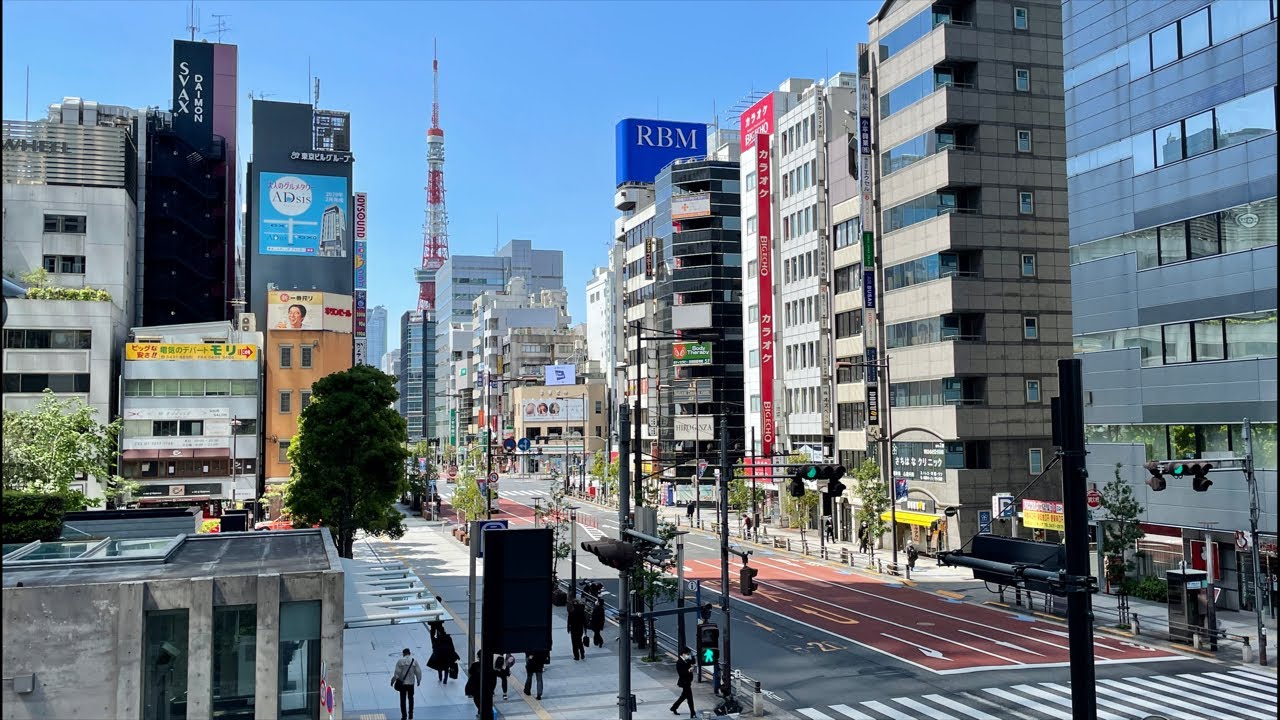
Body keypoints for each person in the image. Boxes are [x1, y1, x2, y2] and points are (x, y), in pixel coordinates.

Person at [390, 647, 422, 720]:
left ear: (403, 654)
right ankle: (411, 714)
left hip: (402, 684)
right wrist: (418, 680)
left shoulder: (400, 661)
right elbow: (418, 672)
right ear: (410, 653)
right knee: (411, 698)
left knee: (402, 700)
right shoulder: (414, 661)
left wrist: (392, 681)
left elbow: (397, 674)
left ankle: (404, 716)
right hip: (411, 683)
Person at [465, 650, 497, 716]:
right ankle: (481, 711)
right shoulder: (490, 666)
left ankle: (481, 710)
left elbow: (470, 672)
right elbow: (494, 678)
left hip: (477, 687)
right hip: (485, 687)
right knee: (484, 700)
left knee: (477, 699)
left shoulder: (475, 665)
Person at [670, 646, 696, 717]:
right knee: (689, 698)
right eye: (687, 654)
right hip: (684, 682)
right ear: (683, 654)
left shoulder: (686, 660)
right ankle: (692, 713)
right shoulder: (679, 662)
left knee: (684, 696)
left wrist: (692, 656)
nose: (688, 655)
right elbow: (681, 673)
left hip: (688, 681)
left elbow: (693, 661)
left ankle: (674, 707)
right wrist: (689, 670)